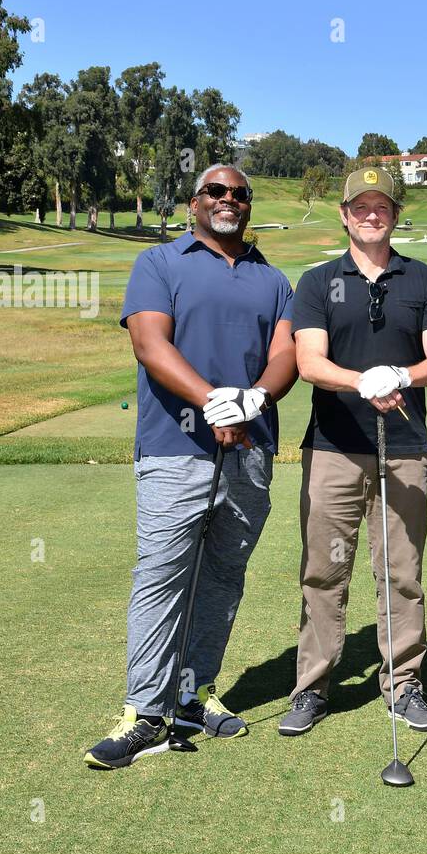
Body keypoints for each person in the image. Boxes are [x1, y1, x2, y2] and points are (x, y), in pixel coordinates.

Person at [84, 164, 297, 769]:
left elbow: (287, 352)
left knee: (224, 577)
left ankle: (193, 693)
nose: (228, 200)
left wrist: (255, 397)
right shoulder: (160, 264)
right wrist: (212, 398)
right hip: (174, 450)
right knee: (162, 576)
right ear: (193, 203)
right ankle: (144, 714)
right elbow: (151, 345)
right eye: (215, 192)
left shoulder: (274, 279)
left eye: (238, 193)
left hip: (251, 452)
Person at [279, 165, 427, 736]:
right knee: (325, 571)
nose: (371, 214)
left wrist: (399, 374)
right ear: (345, 214)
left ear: (395, 214)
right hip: (334, 447)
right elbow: (309, 362)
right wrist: (363, 382)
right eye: (361, 206)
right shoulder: (316, 282)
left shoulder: (425, 280)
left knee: (400, 572)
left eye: (381, 206)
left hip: (404, 448)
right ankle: (312, 687)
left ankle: (404, 685)